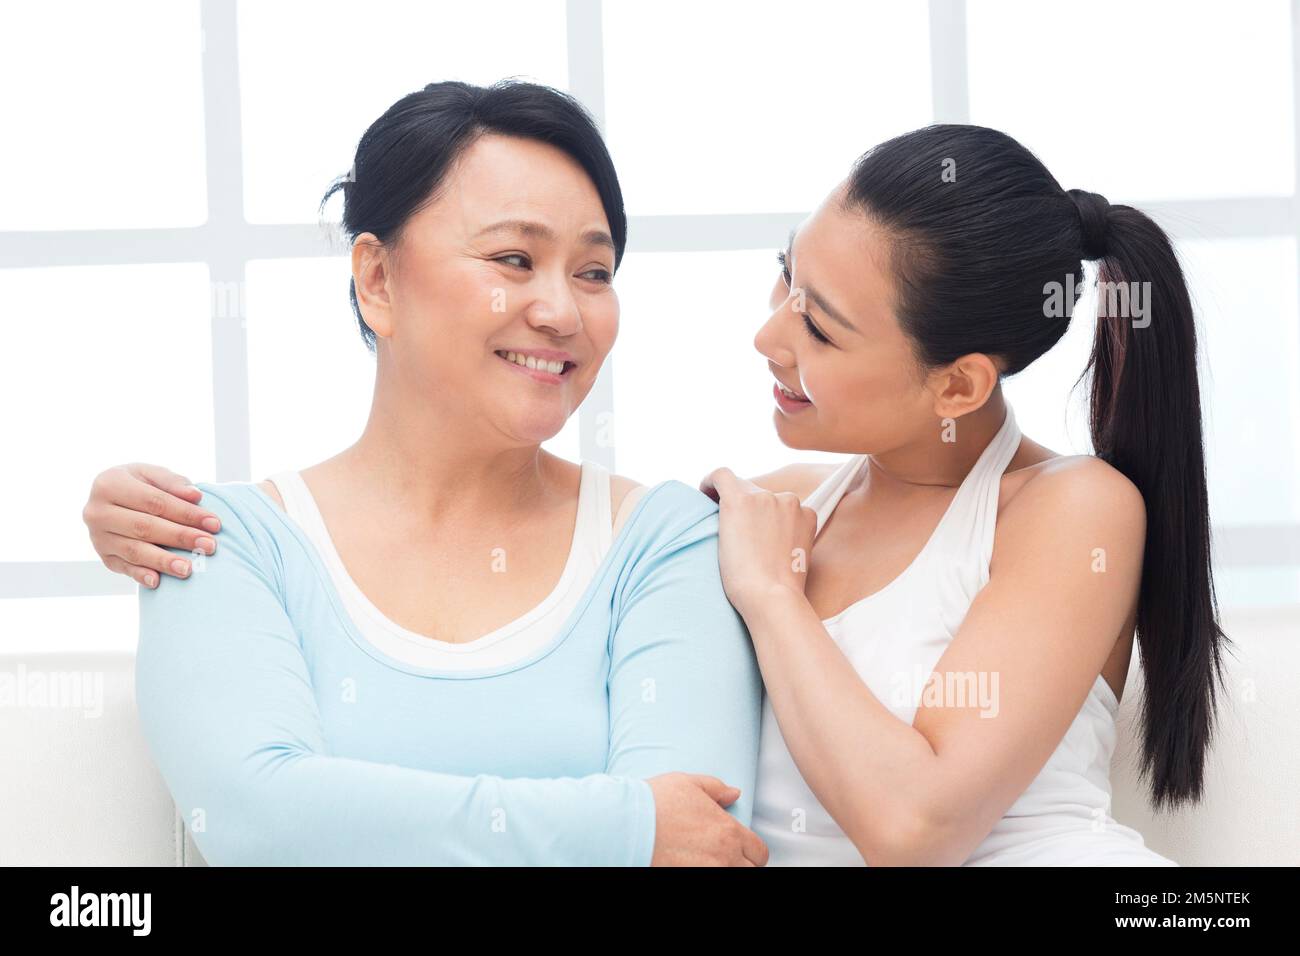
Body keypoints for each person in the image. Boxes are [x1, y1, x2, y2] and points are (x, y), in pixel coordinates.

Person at [83, 80, 766, 866]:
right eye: (515, 258)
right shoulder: (214, 539)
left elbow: (703, 847)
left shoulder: (666, 544)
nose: (563, 312)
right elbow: (258, 824)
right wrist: (628, 827)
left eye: (594, 272)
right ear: (377, 279)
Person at [701, 125, 1223, 865]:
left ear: (957, 384)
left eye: (818, 326)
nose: (768, 336)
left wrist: (772, 599)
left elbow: (919, 829)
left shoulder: (1074, 510)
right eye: (788, 276)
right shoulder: (779, 510)